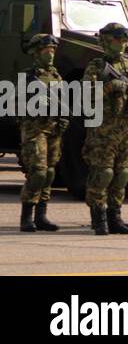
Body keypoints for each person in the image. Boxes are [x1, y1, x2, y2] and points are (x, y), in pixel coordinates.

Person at [82, 22, 128, 235]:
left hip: (125, 128)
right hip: (103, 128)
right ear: (107, 41)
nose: (123, 44)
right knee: (103, 173)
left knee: (122, 174)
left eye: (125, 40)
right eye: (118, 39)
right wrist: (109, 87)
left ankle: (115, 215)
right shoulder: (96, 67)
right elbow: (86, 96)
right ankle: (98, 217)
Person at [18, 34, 67, 232]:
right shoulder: (28, 76)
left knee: (49, 172)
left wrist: (63, 115)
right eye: (46, 50)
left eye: (53, 50)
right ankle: (26, 216)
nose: (51, 54)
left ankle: (41, 215)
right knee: (38, 172)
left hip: (53, 129)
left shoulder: (56, 76)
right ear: (36, 53)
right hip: (34, 129)